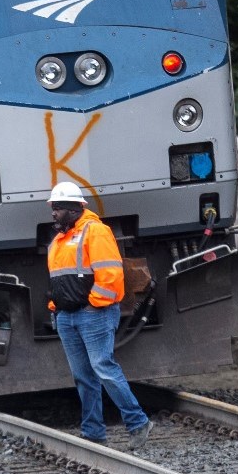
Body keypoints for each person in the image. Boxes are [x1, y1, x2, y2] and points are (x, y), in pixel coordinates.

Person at [46, 180, 151, 448]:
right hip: (67, 317)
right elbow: (60, 281)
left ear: (73, 208)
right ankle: (93, 432)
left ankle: (138, 423)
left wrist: (94, 303)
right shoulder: (58, 241)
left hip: (94, 313)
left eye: (57, 208)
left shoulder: (96, 232)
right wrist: (57, 307)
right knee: (83, 376)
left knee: (103, 368)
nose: (53, 213)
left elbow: (111, 275)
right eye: (53, 208)